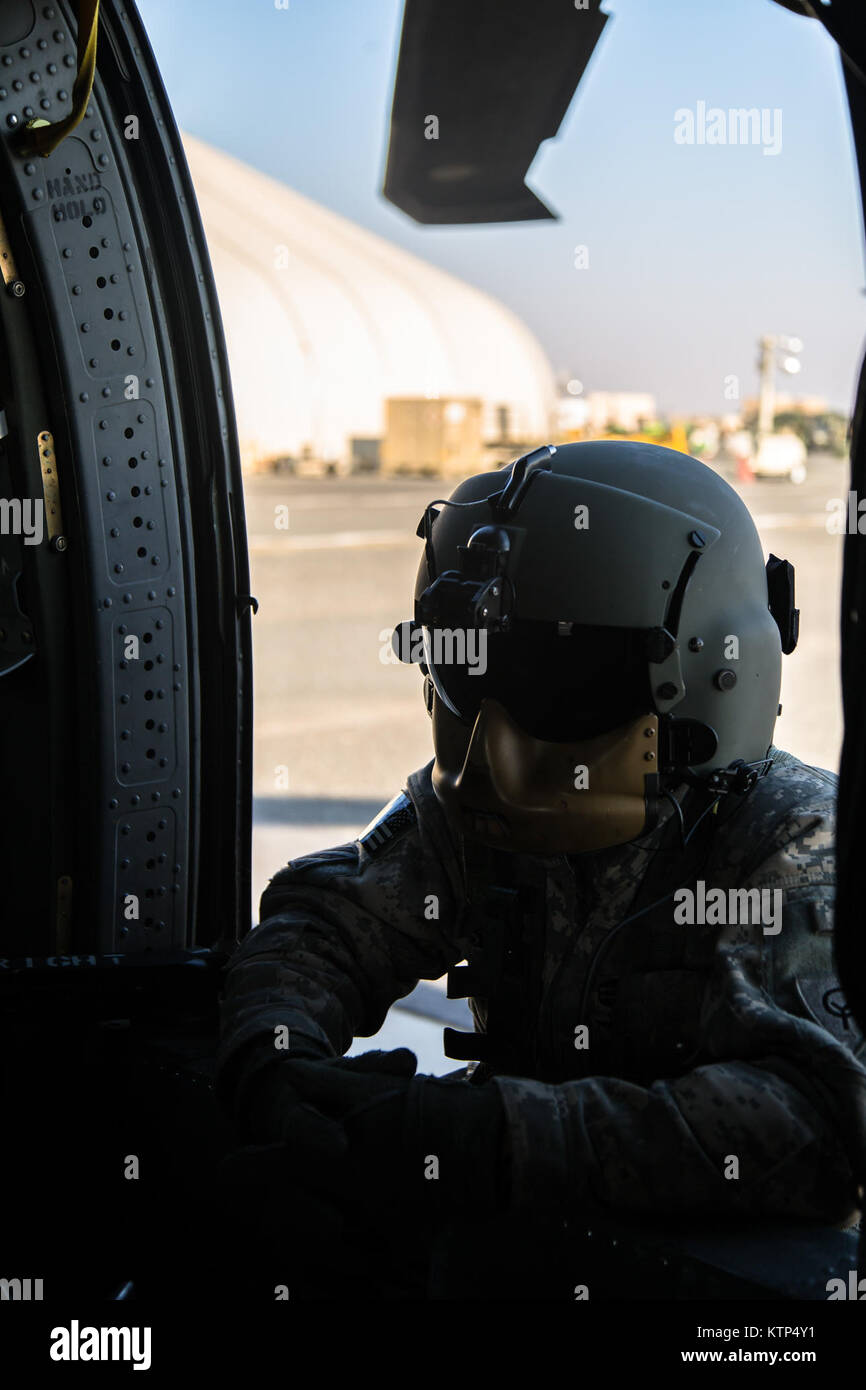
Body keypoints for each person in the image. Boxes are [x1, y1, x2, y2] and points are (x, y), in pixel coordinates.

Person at [214, 440, 866, 1298]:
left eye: (559, 682)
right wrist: (274, 1055)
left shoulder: (793, 841)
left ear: (703, 671)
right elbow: (326, 921)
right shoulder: (476, 817)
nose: (494, 740)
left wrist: (491, 1133)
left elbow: (820, 1121)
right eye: (473, 668)